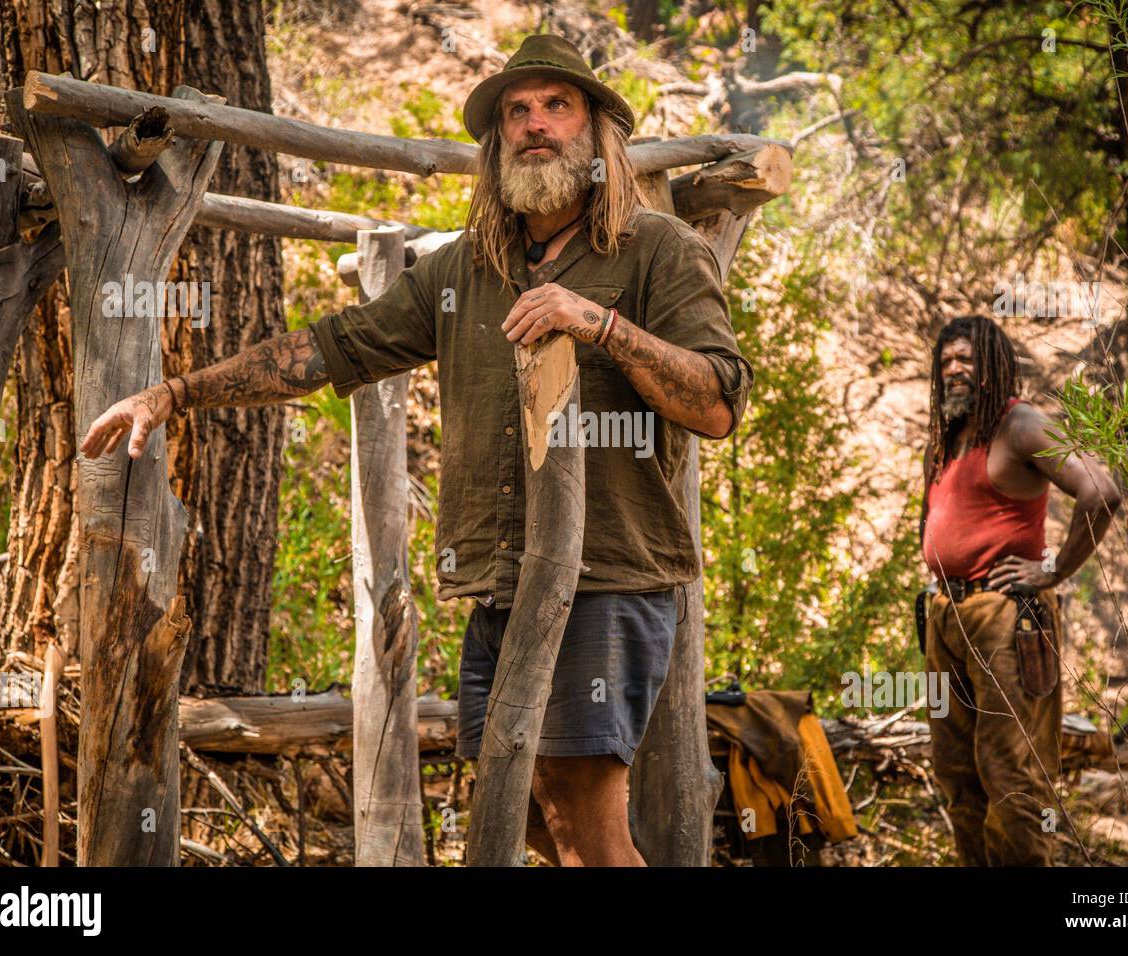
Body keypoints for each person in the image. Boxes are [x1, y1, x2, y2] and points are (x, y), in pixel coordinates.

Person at [78, 34, 753, 866]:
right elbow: (332, 347)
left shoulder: (658, 250)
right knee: (526, 812)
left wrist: (601, 325)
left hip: (607, 577)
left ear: (599, 133)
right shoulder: (463, 271)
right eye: (517, 111)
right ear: (497, 140)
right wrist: (173, 393)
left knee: (585, 824)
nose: (535, 125)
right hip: (502, 584)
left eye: (557, 106)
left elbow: (717, 405)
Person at [920, 314, 1121, 866]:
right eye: (946, 361)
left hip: (1007, 618)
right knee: (957, 773)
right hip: (946, 616)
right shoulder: (949, 436)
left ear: (994, 366)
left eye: (966, 358)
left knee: (1012, 776)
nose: (954, 369)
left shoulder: (1021, 425)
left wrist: (1052, 571)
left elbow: (1101, 491)